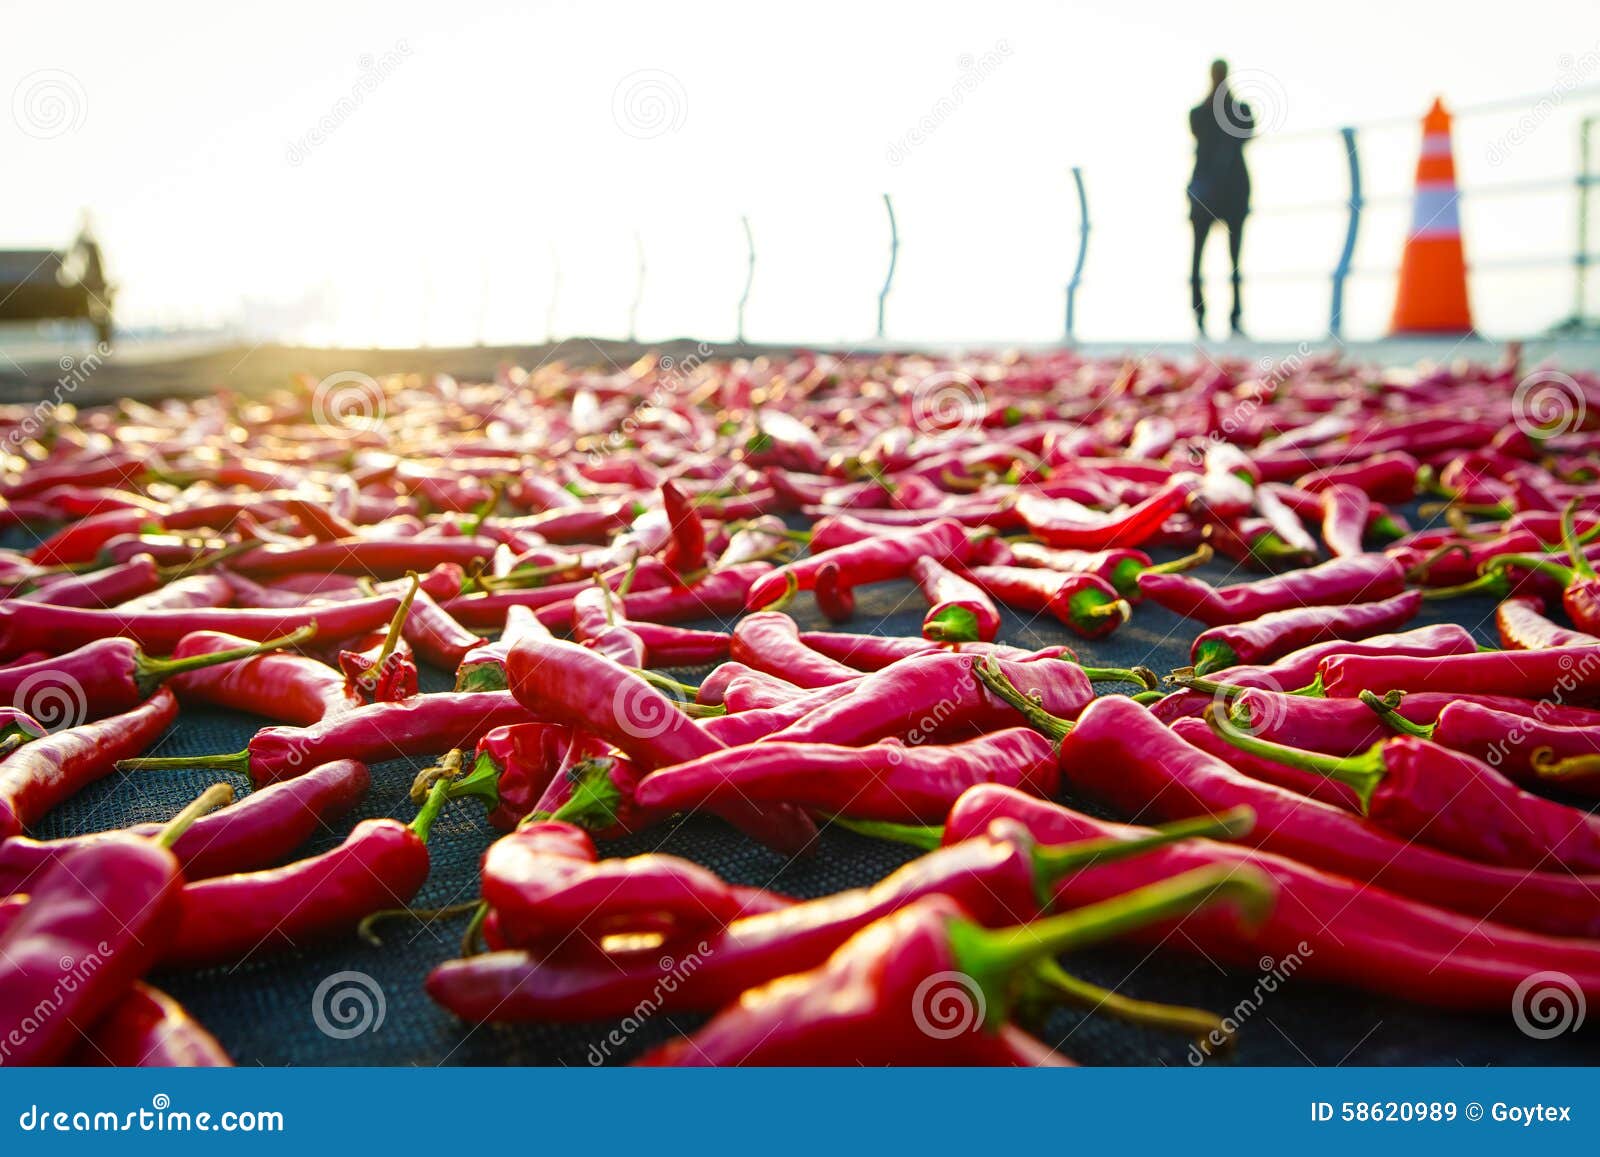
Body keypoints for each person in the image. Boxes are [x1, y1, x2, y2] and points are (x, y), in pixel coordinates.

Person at [1188, 59, 1252, 338]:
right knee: (1217, 254)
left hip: (1221, 189)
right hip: (1219, 189)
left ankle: (1227, 314)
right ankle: (1211, 314)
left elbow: (1245, 132)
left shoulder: (1218, 111)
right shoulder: (1206, 112)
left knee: (1228, 255)